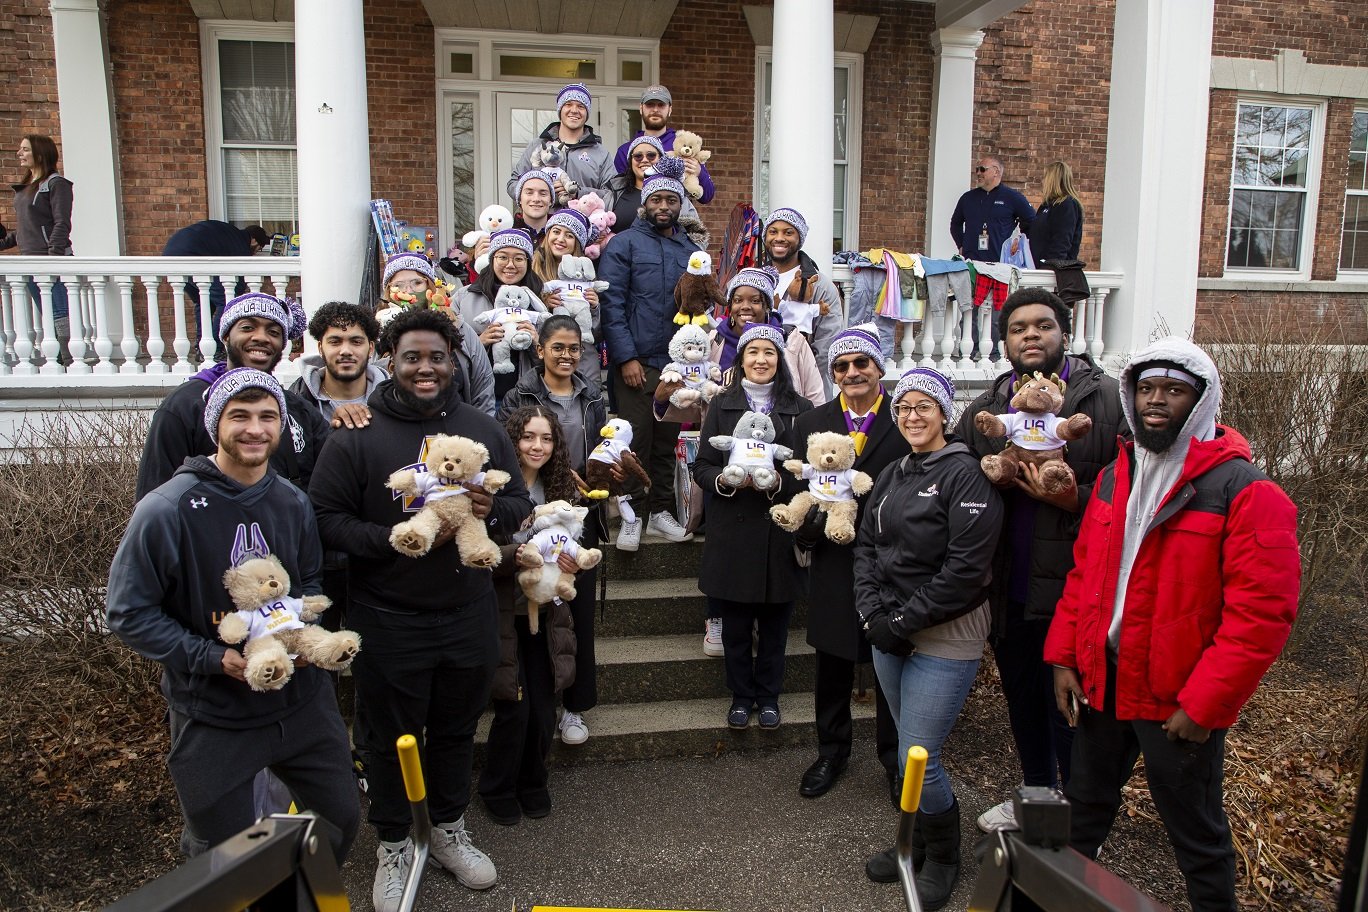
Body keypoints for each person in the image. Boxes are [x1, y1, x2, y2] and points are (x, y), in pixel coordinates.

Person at [1046, 338, 1300, 912]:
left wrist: (1205, 705)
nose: (1156, 400)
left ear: (1202, 400)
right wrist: (1064, 657)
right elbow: (1084, 574)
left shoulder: (1245, 490)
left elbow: (1261, 616)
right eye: (1146, 388)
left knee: (1197, 835)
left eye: (1174, 390)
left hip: (1176, 697)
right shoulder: (1116, 475)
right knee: (1081, 812)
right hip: (1105, 683)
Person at [308, 307, 533, 912]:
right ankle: (395, 841)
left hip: (467, 612)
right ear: (391, 361)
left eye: (437, 356)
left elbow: (519, 502)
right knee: (389, 738)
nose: (425, 367)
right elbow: (324, 518)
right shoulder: (358, 431)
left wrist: (491, 511)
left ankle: (447, 829)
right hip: (389, 617)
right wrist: (391, 541)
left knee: (457, 728)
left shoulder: (481, 428)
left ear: (453, 360)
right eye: (412, 357)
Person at [106, 367, 359, 865]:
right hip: (214, 713)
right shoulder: (168, 508)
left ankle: (297, 891)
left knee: (339, 819)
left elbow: (309, 581)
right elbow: (129, 611)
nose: (255, 429)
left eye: (268, 417)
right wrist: (211, 657)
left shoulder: (292, 501)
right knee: (220, 855)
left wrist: (301, 635)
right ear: (215, 424)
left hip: (301, 705)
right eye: (239, 416)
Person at [955, 287, 1128, 834]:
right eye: (1018, 328)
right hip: (1008, 586)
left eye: (1043, 325)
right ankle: (1035, 794)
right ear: (1005, 341)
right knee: (1023, 698)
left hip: (1075, 591)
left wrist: (1074, 499)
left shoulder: (1105, 401)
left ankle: (1079, 818)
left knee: (1072, 710)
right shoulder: (987, 408)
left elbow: (1136, 494)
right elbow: (958, 480)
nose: (1030, 334)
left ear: (1064, 333)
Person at [857, 367, 1003, 910]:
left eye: (924, 406)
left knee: (921, 754)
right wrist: (872, 614)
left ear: (944, 413)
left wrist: (901, 623)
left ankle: (943, 856)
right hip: (889, 628)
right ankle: (911, 842)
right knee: (905, 749)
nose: (912, 416)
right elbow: (867, 548)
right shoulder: (894, 471)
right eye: (904, 408)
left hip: (945, 633)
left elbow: (966, 569)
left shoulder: (965, 474)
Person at [791, 325, 901, 801]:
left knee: (891, 662)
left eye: (862, 363)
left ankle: (895, 759)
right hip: (834, 558)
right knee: (833, 660)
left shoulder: (905, 415)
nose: (853, 372)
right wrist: (807, 530)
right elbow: (797, 487)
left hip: (892, 561)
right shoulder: (811, 422)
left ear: (879, 368)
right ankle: (831, 751)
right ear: (832, 374)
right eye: (842, 365)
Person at [693, 324, 812, 729]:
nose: (761, 360)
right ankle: (742, 696)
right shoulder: (721, 404)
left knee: (776, 627)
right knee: (737, 628)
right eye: (753, 352)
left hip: (779, 530)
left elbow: (806, 470)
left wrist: (779, 483)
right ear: (741, 359)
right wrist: (724, 481)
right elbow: (702, 466)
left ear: (780, 360)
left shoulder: (800, 408)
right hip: (733, 529)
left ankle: (770, 696)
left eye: (769, 352)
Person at [498, 315, 607, 747]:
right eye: (557, 347)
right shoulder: (519, 394)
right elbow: (510, 444)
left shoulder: (592, 394)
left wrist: (598, 477)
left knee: (577, 614)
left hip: (575, 508)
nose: (566, 355)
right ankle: (528, 698)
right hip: (531, 506)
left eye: (574, 348)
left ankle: (575, 707)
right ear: (540, 350)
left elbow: (601, 445)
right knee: (535, 617)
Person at [479, 405, 585, 824]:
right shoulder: (490, 489)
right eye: (527, 437)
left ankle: (533, 781)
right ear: (511, 441)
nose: (537, 446)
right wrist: (515, 555)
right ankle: (498, 786)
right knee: (514, 708)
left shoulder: (559, 488)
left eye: (546, 438)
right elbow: (475, 551)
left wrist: (574, 563)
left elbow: (572, 545)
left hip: (547, 614)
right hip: (503, 614)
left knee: (543, 709)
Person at [135, 291, 332, 502]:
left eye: (273, 332)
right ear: (226, 336)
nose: (261, 337)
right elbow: (155, 496)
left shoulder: (298, 409)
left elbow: (330, 485)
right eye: (247, 328)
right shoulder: (184, 405)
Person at [598, 160, 700, 550]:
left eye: (671, 200)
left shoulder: (690, 250)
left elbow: (697, 308)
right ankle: (631, 515)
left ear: (680, 205)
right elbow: (612, 304)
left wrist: (693, 363)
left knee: (665, 442)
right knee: (633, 441)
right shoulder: (624, 244)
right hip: (637, 363)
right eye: (656, 199)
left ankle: (659, 511)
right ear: (645, 203)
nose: (663, 206)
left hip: (676, 366)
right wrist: (625, 357)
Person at [378, 252, 495, 418]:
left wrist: (481, 426)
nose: (409, 291)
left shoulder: (459, 327)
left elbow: (482, 386)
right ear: (388, 291)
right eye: (399, 285)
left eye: (417, 283)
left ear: (431, 287)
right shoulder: (376, 332)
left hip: (457, 425)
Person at [451, 229, 545, 402]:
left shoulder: (540, 299)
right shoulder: (463, 297)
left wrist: (537, 344)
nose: (510, 265)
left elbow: (555, 354)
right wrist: (478, 342)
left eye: (519, 259)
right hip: (479, 398)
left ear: (528, 262)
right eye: (502, 257)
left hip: (528, 398)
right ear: (491, 260)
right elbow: (448, 349)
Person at [763, 207, 845, 399]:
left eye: (788, 233)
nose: (779, 238)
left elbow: (827, 346)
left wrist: (797, 378)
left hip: (807, 392)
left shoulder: (820, 285)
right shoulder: (757, 281)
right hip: (761, 388)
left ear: (799, 238)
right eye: (773, 232)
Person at [1, 134, 73, 353]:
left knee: (60, 313)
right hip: (30, 261)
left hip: (50, 259)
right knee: (47, 313)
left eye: (25, 149)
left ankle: (70, 358)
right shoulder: (28, 186)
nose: (19, 153)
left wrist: (53, 257)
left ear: (40, 154)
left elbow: (61, 223)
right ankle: (59, 358)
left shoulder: (57, 184)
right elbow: (25, 229)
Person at [161, 219, 270, 352]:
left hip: (171, 254)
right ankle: (215, 349)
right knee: (227, 301)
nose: (256, 253)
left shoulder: (230, 235)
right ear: (254, 241)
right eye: (259, 248)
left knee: (204, 302)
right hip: (191, 256)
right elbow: (238, 284)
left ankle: (201, 347)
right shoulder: (241, 243)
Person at [506, 84, 616, 206]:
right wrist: (540, 192)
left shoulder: (600, 153)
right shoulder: (537, 146)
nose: (574, 110)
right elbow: (513, 184)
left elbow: (611, 195)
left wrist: (577, 193)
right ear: (560, 109)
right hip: (542, 218)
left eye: (581, 106)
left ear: (587, 112)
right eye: (568, 104)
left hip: (584, 218)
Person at [532, 208, 604, 386]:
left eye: (569, 235)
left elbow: (596, 335)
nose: (561, 239)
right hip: (544, 367)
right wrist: (545, 305)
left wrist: (594, 308)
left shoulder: (587, 277)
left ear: (577, 243)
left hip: (583, 364)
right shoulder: (532, 273)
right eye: (556, 232)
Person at [612, 84, 716, 205]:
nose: (655, 110)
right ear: (641, 108)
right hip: (636, 213)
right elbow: (618, 194)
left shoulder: (683, 146)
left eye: (661, 105)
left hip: (677, 214)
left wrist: (699, 172)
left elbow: (707, 196)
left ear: (670, 109)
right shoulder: (626, 151)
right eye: (650, 104)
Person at [290, 301, 386, 426]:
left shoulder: (394, 399)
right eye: (335, 342)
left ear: (371, 348)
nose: (346, 351)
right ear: (320, 348)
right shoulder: (295, 402)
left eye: (356, 342)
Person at [604, 135, 699, 233]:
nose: (644, 160)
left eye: (651, 155)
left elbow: (695, 234)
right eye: (638, 156)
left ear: (661, 159)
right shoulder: (614, 192)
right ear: (630, 161)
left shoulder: (676, 194)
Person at [949, 154, 1034, 262]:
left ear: (996, 172)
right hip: (971, 262)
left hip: (1000, 263)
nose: (978, 173)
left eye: (982, 169)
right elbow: (955, 223)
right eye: (977, 170)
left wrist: (1020, 241)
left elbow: (1032, 221)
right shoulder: (967, 198)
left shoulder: (1012, 197)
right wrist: (961, 245)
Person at [1026, 161, 1084, 265]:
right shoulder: (1046, 205)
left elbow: (1062, 240)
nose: (1043, 181)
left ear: (1052, 180)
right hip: (1038, 266)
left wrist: (1051, 266)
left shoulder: (1067, 204)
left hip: (1053, 268)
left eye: (1045, 177)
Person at [511, 170, 556, 245]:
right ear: (520, 199)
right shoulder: (506, 232)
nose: (536, 199)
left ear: (550, 200)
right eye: (529, 193)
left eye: (543, 194)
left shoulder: (560, 236)